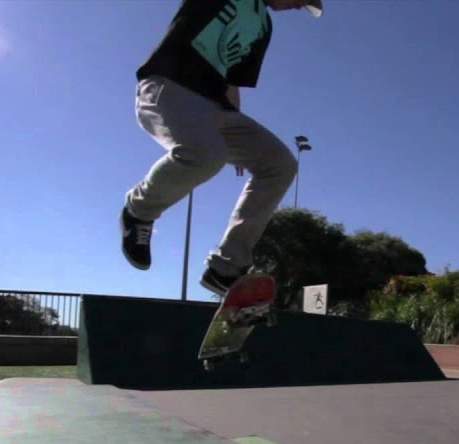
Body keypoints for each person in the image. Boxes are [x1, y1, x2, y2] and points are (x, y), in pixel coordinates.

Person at [120, 0, 323, 296]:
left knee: (280, 164)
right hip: (169, 87)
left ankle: (226, 268)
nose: (297, 7)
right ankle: (138, 210)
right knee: (206, 155)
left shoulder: (263, 26)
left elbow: (232, 80)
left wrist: (235, 130)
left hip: (217, 110)